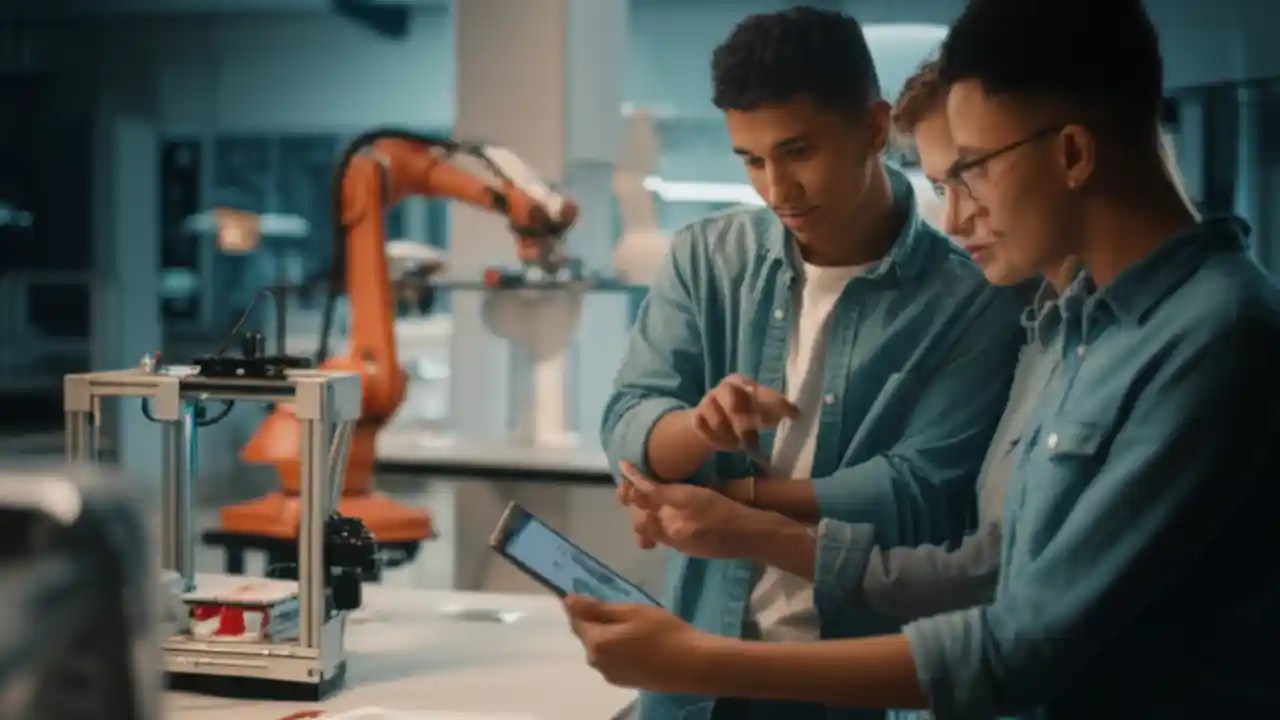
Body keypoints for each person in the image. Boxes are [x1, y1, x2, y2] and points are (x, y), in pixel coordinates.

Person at [571, 1, 1280, 718]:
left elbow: (1017, 643)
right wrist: (745, 528)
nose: (956, 215)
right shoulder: (1069, 327)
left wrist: (704, 656)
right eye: (943, 186)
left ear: (1071, 153)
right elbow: (985, 567)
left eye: (969, 171)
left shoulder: (1220, 336)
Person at [598, 6, 1025, 720]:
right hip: (694, 684)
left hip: (848, 687)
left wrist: (735, 504)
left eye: (798, 152)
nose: (776, 189)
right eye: (752, 160)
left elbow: (922, 491)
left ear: (874, 127)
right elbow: (626, 422)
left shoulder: (975, 294)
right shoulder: (707, 258)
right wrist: (699, 430)